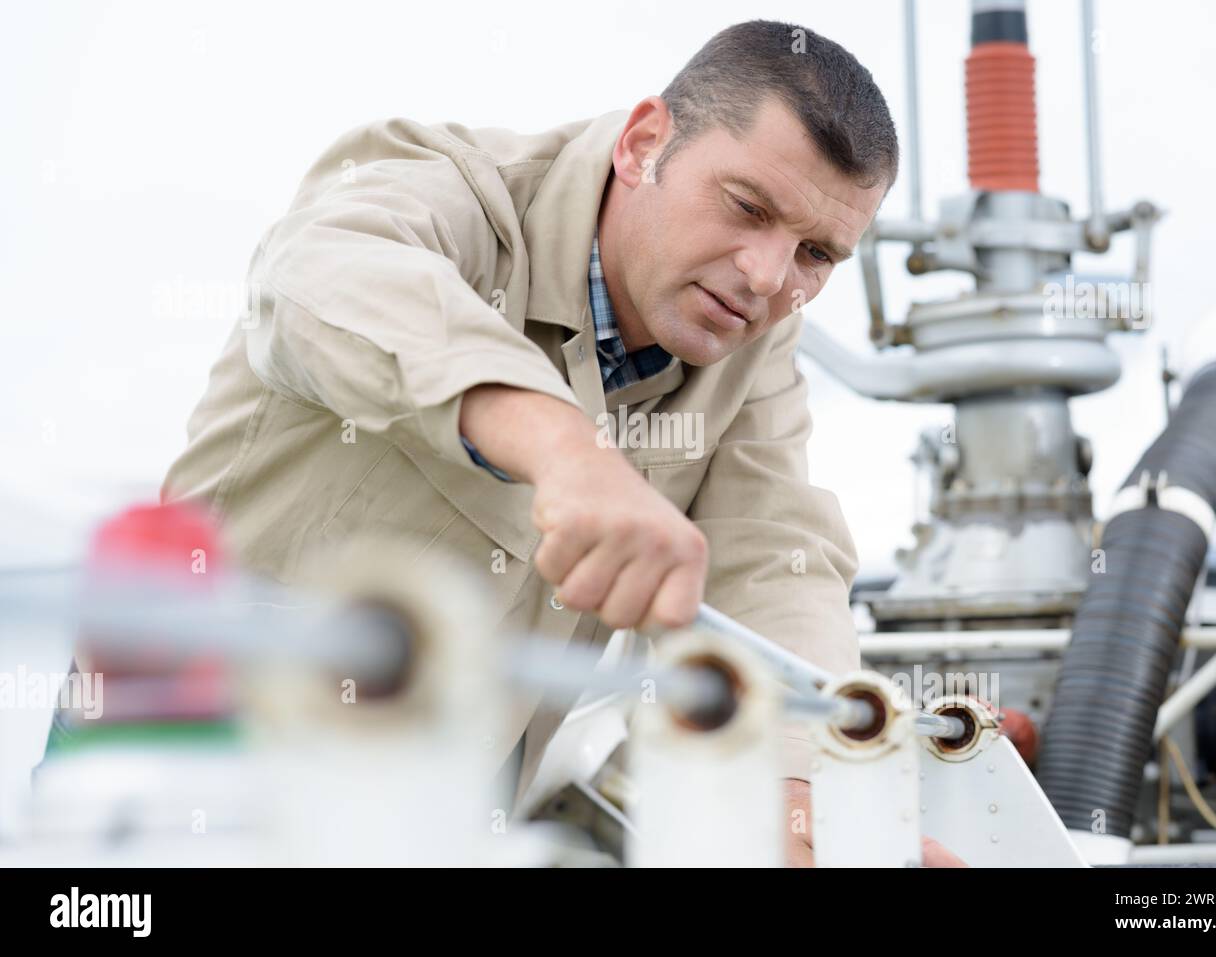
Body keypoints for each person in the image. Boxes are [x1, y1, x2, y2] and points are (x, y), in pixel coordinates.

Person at [163, 18, 963, 866]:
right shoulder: (450, 191)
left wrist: (803, 804)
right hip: (187, 791)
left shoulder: (753, 345)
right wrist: (564, 450)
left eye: (815, 253)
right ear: (645, 143)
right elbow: (318, 279)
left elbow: (770, 558)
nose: (768, 279)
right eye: (747, 207)